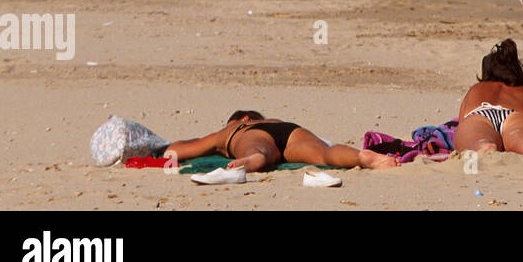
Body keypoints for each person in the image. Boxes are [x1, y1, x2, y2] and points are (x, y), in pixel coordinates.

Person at [164, 110, 398, 171]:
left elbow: (175, 151)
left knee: (258, 149)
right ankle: (359, 157)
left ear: (243, 119)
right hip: (293, 131)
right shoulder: (275, 121)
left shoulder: (236, 128)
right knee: (324, 154)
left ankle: (256, 158)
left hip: (252, 138)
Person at [454, 39, 523, 157]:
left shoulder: (476, 89)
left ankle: (483, 145)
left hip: (480, 115)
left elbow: (462, 122)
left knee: (474, 141)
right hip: (515, 117)